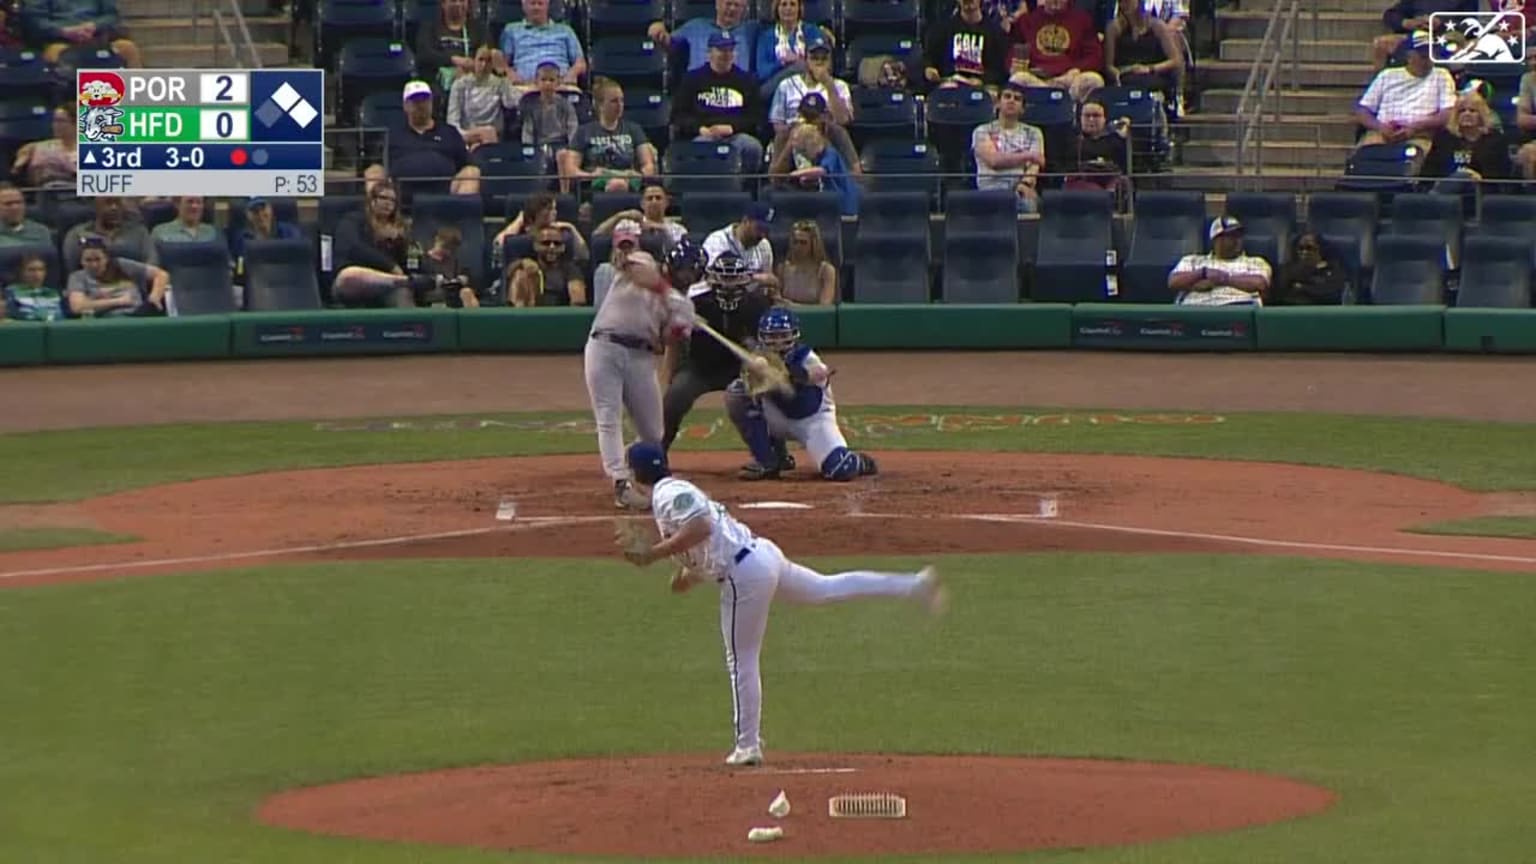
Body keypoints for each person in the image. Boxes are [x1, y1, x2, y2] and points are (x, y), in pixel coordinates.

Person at [617, 440, 946, 766]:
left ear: (636, 475)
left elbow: (701, 527)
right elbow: (704, 552)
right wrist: (677, 574)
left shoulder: (667, 494)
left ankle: (747, 746)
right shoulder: (674, 494)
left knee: (741, 659)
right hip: (760, 558)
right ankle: (914, 586)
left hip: (744, 574)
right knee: (826, 588)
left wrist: (654, 553)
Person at [584, 248, 695, 509]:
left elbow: (666, 342)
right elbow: (631, 267)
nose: (687, 276)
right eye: (683, 270)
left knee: (654, 432)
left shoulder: (684, 304)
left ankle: (640, 472)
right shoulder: (646, 262)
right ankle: (620, 483)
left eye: (692, 272)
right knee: (608, 417)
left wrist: (679, 325)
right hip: (605, 345)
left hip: (641, 357)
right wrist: (667, 294)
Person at [723, 306, 880, 481]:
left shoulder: (807, 358)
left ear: (794, 335)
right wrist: (756, 374)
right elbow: (748, 386)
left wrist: (787, 376)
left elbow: (814, 374)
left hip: (812, 420)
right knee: (736, 393)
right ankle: (767, 460)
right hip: (777, 416)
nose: (778, 343)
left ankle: (860, 462)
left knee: (839, 468)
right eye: (773, 337)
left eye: (783, 336)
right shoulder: (759, 359)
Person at [661, 251, 780, 455]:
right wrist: (668, 377)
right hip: (700, 367)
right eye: (725, 277)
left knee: (769, 400)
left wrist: (759, 358)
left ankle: (774, 454)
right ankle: (659, 451)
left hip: (741, 369)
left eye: (734, 277)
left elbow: (767, 344)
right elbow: (673, 342)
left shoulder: (757, 304)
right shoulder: (694, 304)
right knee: (675, 398)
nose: (729, 283)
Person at [671, 31, 766, 171]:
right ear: (709, 52)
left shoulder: (747, 80)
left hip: (736, 135)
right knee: (699, 147)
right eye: (721, 49)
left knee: (752, 147)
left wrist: (732, 128)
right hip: (704, 134)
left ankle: (746, 188)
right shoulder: (692, 79)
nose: (726, 54)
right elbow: (678, 115)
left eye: (730, 50)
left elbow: (755, 116)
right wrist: (700, 129)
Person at [332, 181, 436, 307]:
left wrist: (399, 242)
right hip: (353, 284)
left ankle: (412, 323)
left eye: (392, 200)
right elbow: (355, 248)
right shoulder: (353, 220)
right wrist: (391, 266)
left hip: (388, 286)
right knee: (351, 274)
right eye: (383, 198)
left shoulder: (399, 229)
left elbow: (409, 261)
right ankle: (407, 281)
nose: (388, 203)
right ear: (372, 201)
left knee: (402, 292)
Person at [559, 77, 659, 194]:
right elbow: (571, 170)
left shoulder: (634, 129)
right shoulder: (584, 131)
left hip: (628, 180)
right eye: (614, 101)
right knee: (616, 184)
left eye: (621, 100)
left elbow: (648, 165)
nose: (619, 105)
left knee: (619, 184)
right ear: (600, 105)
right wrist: (591, 175)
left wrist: (639, 174)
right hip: (596, 185)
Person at [972, 82, 1045, 213]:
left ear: (1022, 109)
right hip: (990, 190)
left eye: (1017, 98)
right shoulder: (982, 131)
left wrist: (1025, 184)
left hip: (1020, 189)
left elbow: (1035, 166)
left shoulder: (1034, 133)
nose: (1011, 100)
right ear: (998, 103)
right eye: (1007, 96)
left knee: (1029, 204)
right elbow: (994, 161)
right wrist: (1028, 155)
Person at [1166, 216, 1271, 306]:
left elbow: (1260, 283)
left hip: (1237, 311)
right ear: (1217, 240)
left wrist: (1223, 279)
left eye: (1239, 236)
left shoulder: (1255, 262)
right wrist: (1203, 273)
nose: (1238, 240)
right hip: (1195, 310)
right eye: (1232, 236)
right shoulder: (1192, 260)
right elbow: (1173, 282)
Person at [66, 234, 168, 317]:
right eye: (88, 260)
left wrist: (154, 297)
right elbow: (77, 306)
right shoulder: (77, 277)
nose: (94, 265)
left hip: (139, 314)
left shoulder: (122, 265)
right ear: (81, 261)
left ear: (106, 259)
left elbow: (161, 274)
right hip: (106, 319)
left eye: (98, 259)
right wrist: (119, 301)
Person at [924, 0, 1009, 90]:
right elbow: (929, 58)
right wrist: (929, 68)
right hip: (950, 85)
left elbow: (1000, 70)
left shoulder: (996, 32)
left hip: (983, 88)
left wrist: (983, 80)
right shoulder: (942, 29)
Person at [447, 44, 519, 149]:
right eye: (480, 60)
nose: (484, 65)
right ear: (474, 61)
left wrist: (503, 73)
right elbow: (452, 122)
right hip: (467, 136)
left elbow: (512, 103)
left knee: (489, 134)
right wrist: (466, 136)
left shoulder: (499, 83)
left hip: (494, 138)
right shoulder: (460, 85)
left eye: (488, 61)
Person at [415, 0, 491, 94]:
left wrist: (471, 67)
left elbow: (487, 54)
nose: (458, 4)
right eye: (453, 0)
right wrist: (453, 60)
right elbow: (424, 54)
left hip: (473, 82)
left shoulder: (479, 29)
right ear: (443, 3)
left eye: (462, 1)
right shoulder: (429, 27)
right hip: (437, 85)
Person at [507, 224, 588, 306]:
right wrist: (520, 262)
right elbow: (508, 272)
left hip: (559, 315)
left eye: (557, 244)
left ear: (563, 247)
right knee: (521, 275)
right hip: (529, 314)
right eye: (546, 243)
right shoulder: (525, 266)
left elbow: (578, 302)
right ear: (535, 246)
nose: (552, 247)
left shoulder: (571, 270)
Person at [1272, 231, 1348, 306]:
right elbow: (1279, 293)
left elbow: (1332, 294)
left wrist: (1302, 287)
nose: (1304, 252)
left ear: (1319, 249)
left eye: (1309, 248)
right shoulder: (1287, 269)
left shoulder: (1332, 270)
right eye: (1301, 248)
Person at [11, 106, 77, 190]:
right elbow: (16, 171)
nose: (55, 125)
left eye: (61, 121)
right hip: (44, 195)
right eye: (54, 121)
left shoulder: (92, 150)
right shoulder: (38, 147)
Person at [776, 219, 837, 305]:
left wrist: (793, 306)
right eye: (795, 242)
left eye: (803, 243)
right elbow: (777, 301)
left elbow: (824, 307)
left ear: (813, 244)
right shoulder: (782, 269)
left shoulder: (826, 270)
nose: (798, 247)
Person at [3, 254, 64, 321]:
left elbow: (59, 316)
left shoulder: (52, 293)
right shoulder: (11, 292)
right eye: (31, 270)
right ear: (21, 272)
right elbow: (15, 315)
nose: (37, 274)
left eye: (41, 269)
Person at [150, 196, 218, 245]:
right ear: (177, 205)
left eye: (199, 202)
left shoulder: (212, 232)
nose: (195, 206)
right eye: (190, 202)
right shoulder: (160, 232)